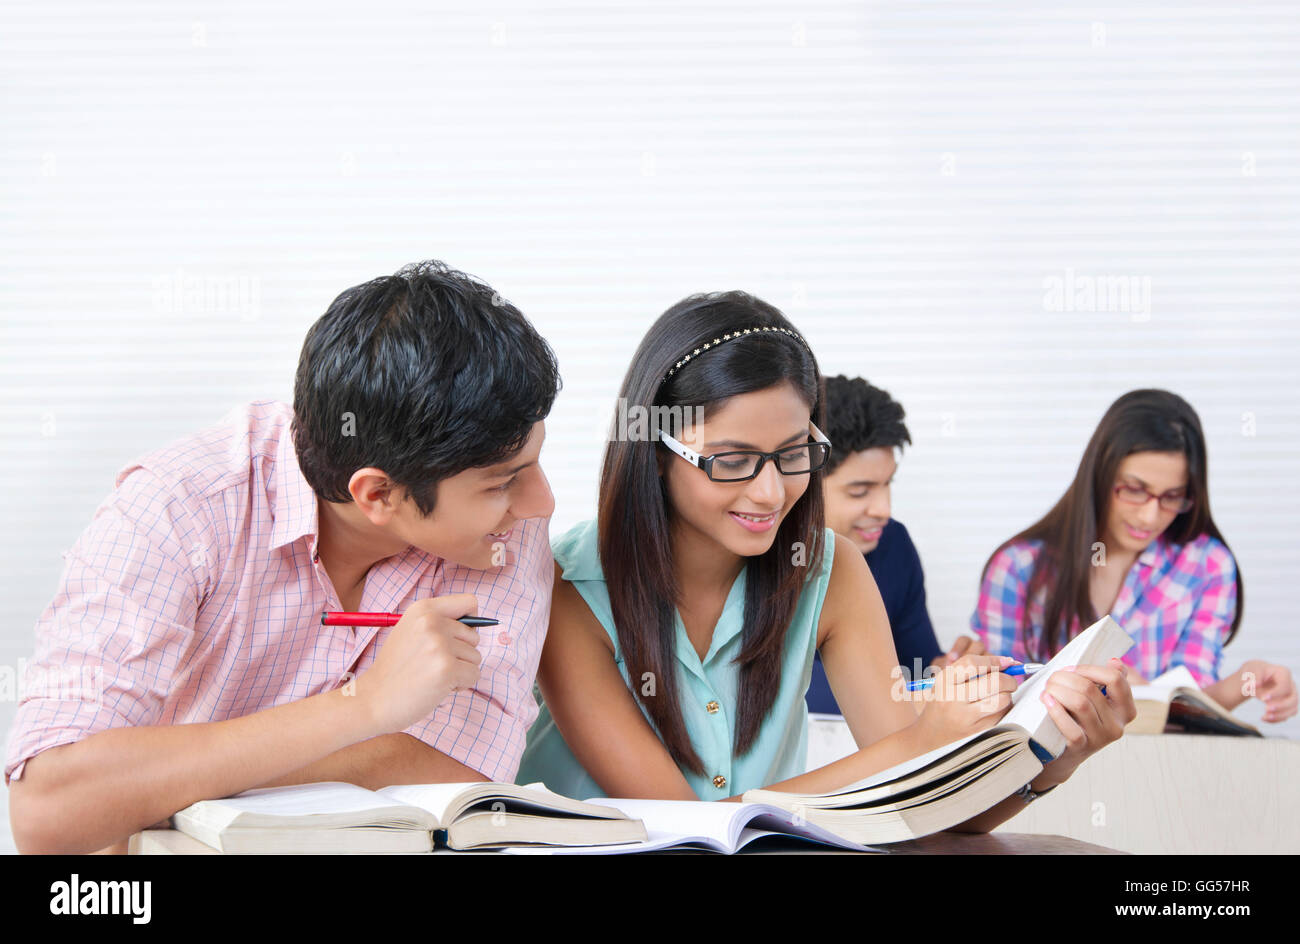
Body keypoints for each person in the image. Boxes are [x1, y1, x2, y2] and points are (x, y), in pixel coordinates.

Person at [6, 260, 561, 853]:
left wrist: (154, 789)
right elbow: (49, 812)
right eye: (502, 481)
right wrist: (365, 707)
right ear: (377, 494)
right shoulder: (177, 509)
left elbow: (464, 768)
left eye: (532, 463)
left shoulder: (503, 531)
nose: (542, 501)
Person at [518, 291, 1134, 822]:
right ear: (655, 451)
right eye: (731, 461)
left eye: (793, 454)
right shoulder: (569, 583)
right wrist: (923, 741)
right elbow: (682, 828)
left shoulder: (828, 569)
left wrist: (1052, 753)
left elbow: (923, 809)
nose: (770, 492)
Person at [972, 388, 1296, 724]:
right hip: (1047, 770)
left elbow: (1183, 707)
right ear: (1100, 474)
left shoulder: (1206, 565)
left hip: (1157, 765)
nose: (1150, 517)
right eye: (1135, 490)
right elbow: (1000, 708)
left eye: (1172, 496)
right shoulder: (1017, 568)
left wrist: (1243, 683)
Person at [806, 375, 982, 716]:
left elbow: (916, 667)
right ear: (803, 482)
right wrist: (924, 695)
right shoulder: (760, 562)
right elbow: (803, 702)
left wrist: (949, 672)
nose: (884, 510)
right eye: (860, 491)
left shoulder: (893, 545)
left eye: (888, 483)